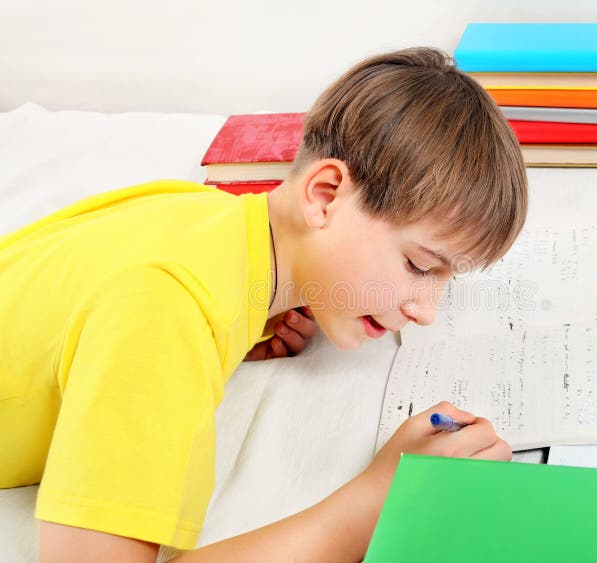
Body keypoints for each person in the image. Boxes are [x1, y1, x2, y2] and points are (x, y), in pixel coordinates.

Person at [0, 47, 528, 562]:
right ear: (324, 195)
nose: (425, 312)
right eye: (418, 266)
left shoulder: (203, 213)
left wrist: (264, 317)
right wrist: (379, 499)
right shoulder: (166, 309)